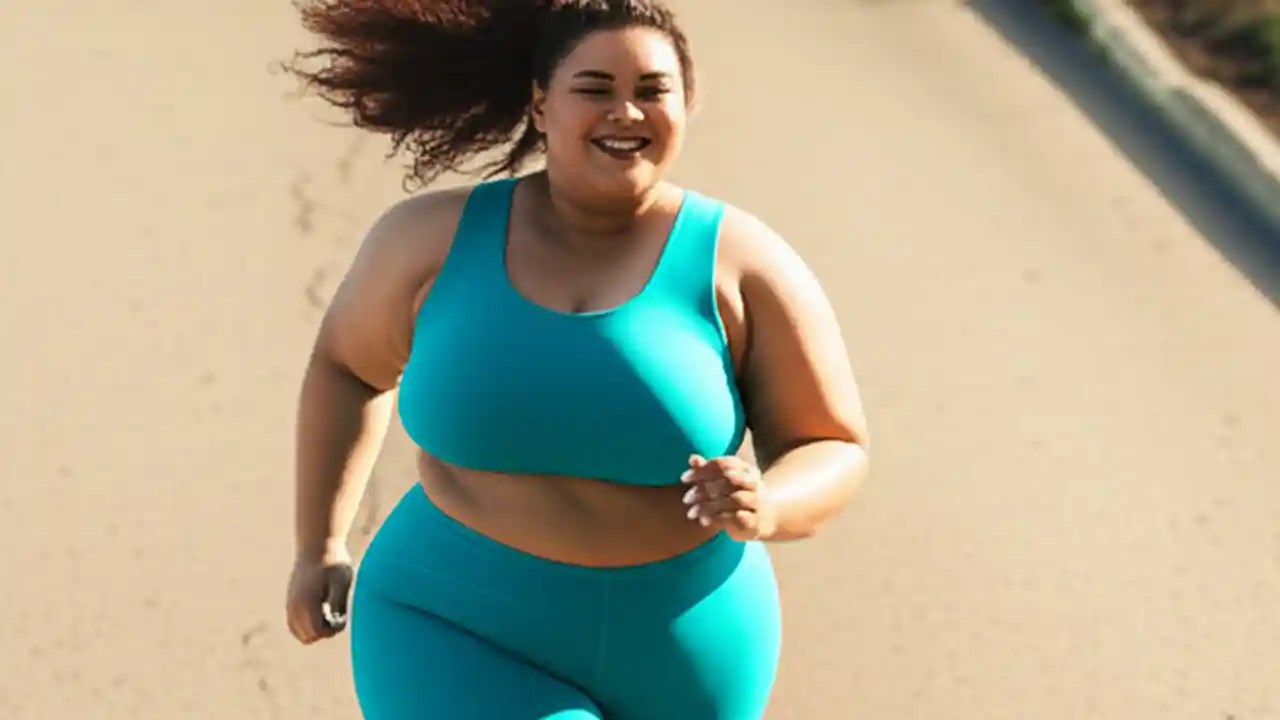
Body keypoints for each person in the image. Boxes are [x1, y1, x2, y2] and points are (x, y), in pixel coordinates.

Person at [282, 1, 871, 718]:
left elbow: (830, 441)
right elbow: (348, 369)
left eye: (653, 90)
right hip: (453, 618)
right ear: (540, 104)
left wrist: (769, 502)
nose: (626, 111)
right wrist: (320, 543)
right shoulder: (428, 241)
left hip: (687, 644)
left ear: (686, 106)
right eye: (595, 88)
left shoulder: (742, 263)